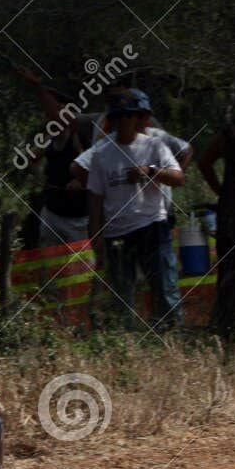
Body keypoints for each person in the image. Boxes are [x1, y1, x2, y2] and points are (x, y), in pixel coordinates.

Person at [85, 90, 186, 328]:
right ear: (112, 121)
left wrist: (150, 171)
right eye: (118, 117)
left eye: (128, 117)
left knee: (164, 285)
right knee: (121, 292)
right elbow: (95, 197)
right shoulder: (101, 154)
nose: (123, 122)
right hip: (116, 234)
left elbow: (179, 178)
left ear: (138, 119)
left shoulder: (154, 146)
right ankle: (126, 338)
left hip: (152, 226)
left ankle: (171, 332)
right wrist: (95, 234)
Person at [25, 81, 100, 246]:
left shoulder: (79, 137)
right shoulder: (49, 137)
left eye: (59, 109)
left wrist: (81, 181)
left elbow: (95, 169)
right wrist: (40, 177)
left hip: (77, 217)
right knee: (48, 262)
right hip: (51, 212)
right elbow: (31, 158)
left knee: (79, 267)